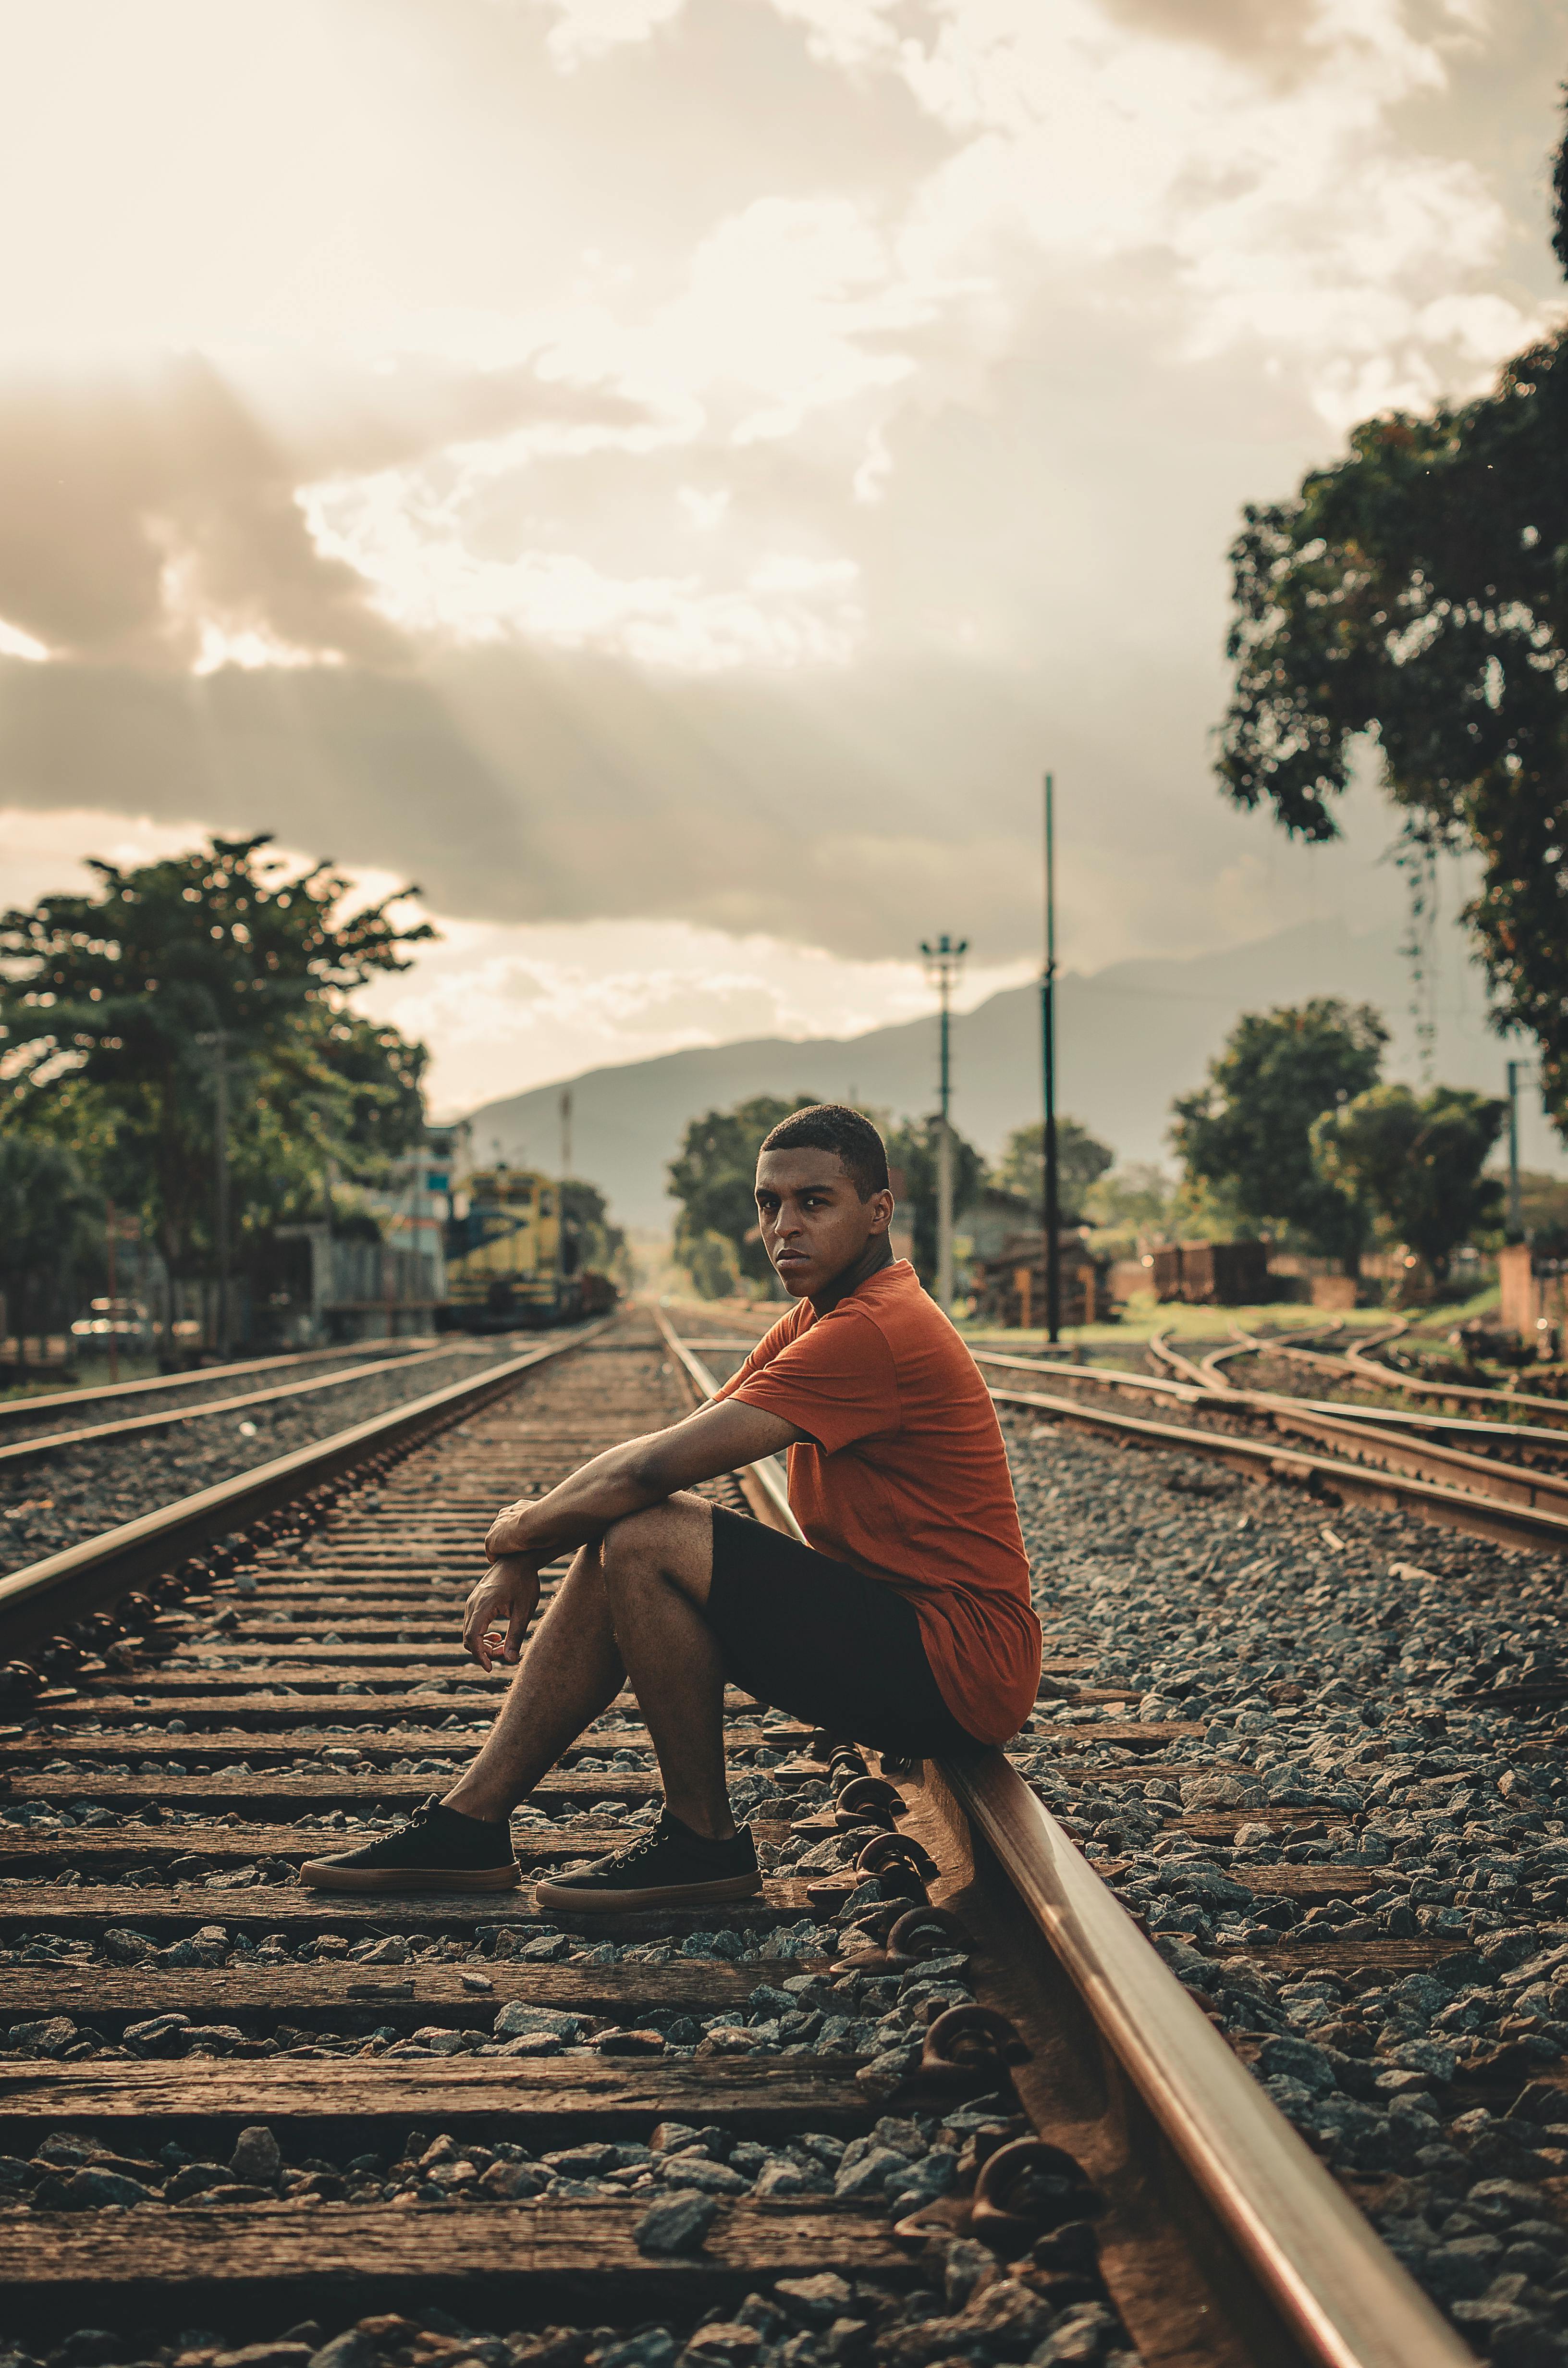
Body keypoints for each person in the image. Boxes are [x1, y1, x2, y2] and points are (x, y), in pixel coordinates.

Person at [300, 1104, 1041, 1909]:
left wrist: (514, 1534)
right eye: (769, 1204)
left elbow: (653, 1469)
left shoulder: (876, 1330)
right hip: (914, 1644)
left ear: (879, 1213)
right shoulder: (817, 1321)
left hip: (960, 1666)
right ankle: (471, 1823)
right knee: (624, 1532)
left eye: (814, 1203)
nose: (784, 1226)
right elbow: (671, 1450)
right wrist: (531, 1545)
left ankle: (703, 1841)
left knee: (648, 1533)